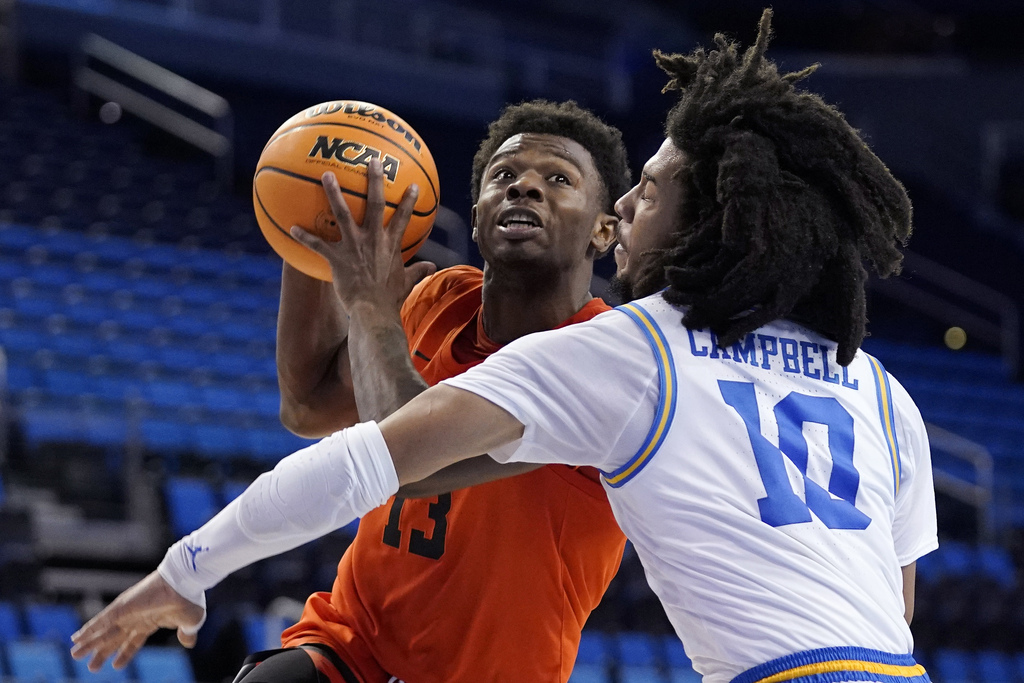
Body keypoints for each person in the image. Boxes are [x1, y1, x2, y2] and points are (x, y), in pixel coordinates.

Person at [72, 10, 938, 683]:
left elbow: (371, 461)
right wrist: (320, 246)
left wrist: (191, 564)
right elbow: (889, 621)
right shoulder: (884, 388)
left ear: (713, 217)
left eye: (646, 189)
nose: (632, 205)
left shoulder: (633, 349)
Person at [73, 100, 632, 682]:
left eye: (558, 179)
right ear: (475, 215)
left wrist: (367, 302)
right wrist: (313, 229)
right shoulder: (436, 299)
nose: (525, 189)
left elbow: (409, 460)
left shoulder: (601, 361)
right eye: (504, 176)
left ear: (604, 229)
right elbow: (308, 404)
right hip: (351, 647)